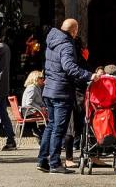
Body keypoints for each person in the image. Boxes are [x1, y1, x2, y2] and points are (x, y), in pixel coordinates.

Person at [38, 18, 91, 175]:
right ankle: (54, 163)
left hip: (49, 90)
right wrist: (88, 75)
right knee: (58, 129)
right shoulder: (67, 45)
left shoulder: (52, 40)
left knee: (51, 126)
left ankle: (42, 160)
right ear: (74, 31)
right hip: (61, 91)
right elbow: (69, 67)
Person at [20, 69, 46, 139]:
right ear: (35, 79)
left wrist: (43, 106)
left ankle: (42, 137)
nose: (43, 79)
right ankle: (43, 137)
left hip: (32, 111)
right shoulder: (32, 88)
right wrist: (41, 109)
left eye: (43, 78)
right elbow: (29, 103)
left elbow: (39, 101)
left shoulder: (37, 88)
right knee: (49, 119)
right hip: (29, 112)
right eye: (41, 78)